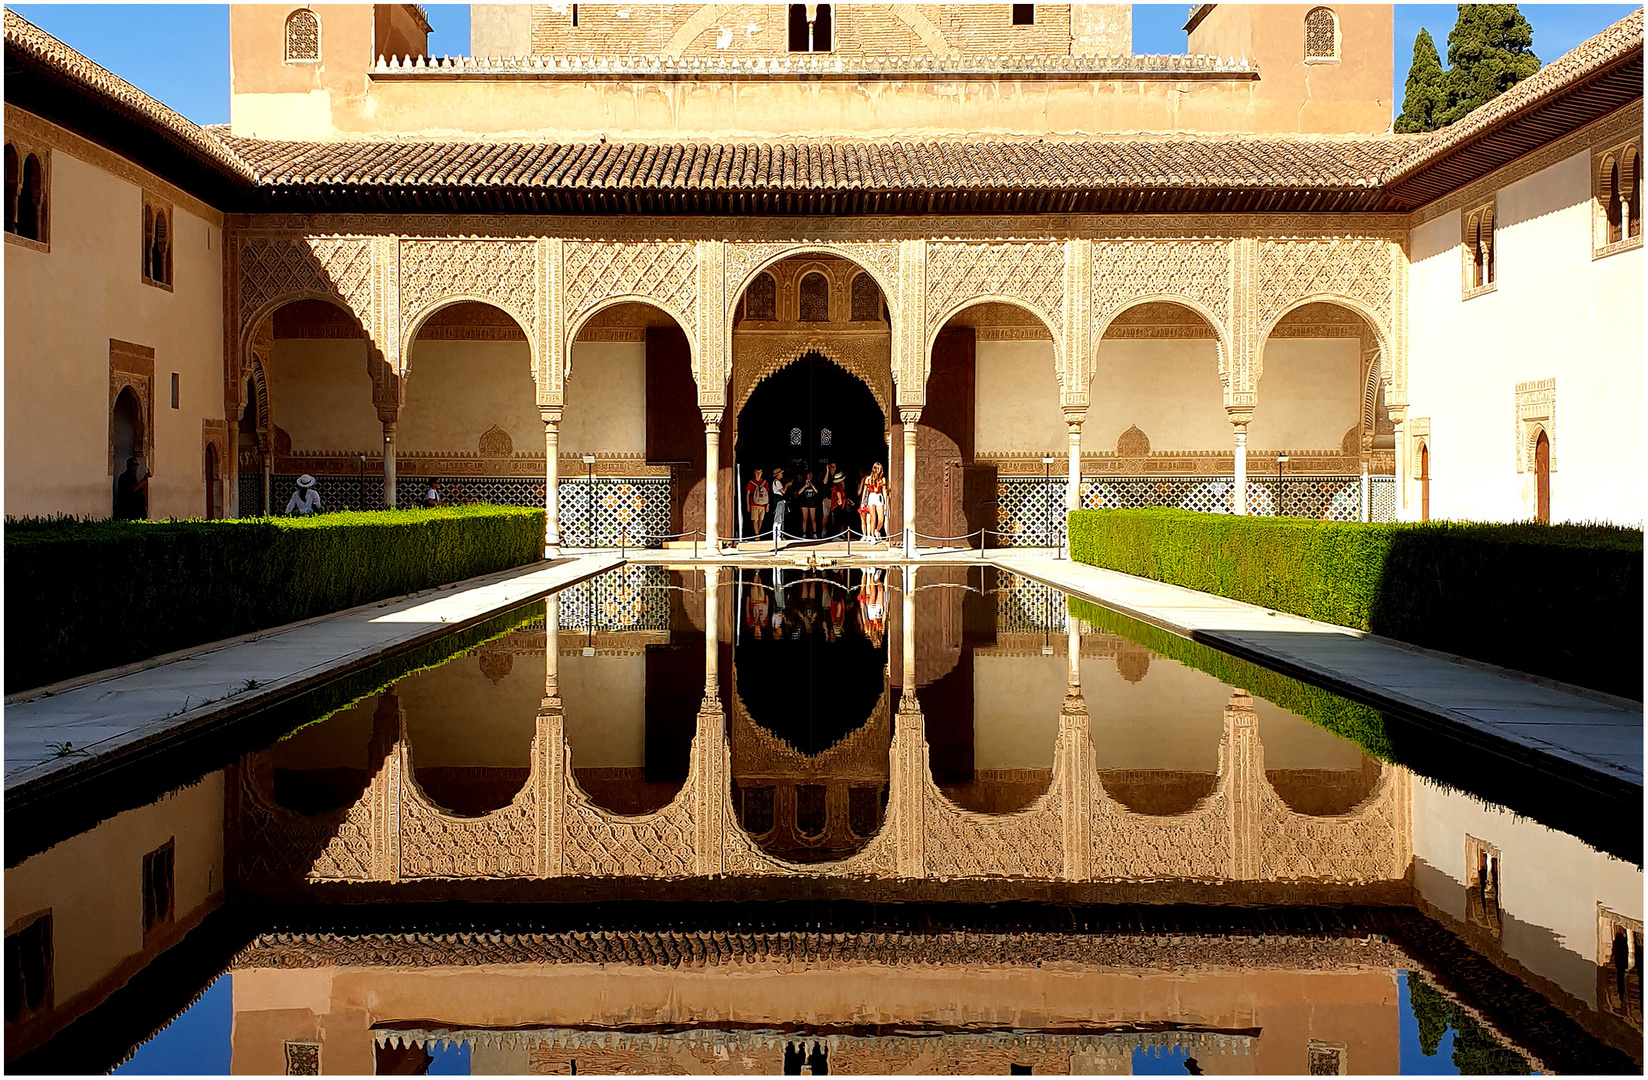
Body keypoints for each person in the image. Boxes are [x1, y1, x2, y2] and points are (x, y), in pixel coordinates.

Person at [113, 455, 151, 520]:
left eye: (137, 465)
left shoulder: (132, 476)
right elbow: (133, 489)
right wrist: (143, 481)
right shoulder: (125, 476)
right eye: (135, 465)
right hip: (127, 507)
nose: (136, 467)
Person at [858, 461, 888, 542]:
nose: (879, 471)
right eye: (877, 469)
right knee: (873, 518)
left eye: (880, 469)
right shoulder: (868, 479)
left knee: (881, 519)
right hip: (871, 496)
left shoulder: (882, 479)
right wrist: (862, 503)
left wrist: (886, 503)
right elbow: (864, 491)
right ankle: (872, 536)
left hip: (879, 496)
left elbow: (884, 491)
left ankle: (877, 530)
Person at [796, 470, 822, 539]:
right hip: (804, 502)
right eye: (809, 475)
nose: (810, 476)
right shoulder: (802, 482)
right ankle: (804, 533)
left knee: (813, 519)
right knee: (805, 519)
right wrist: (805, 486)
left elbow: (817, 491)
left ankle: (815, 533)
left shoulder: (815, 482)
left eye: (811, 475)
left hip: (812, 503)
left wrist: (812, 485)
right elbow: (798, 493)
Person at [745, 467, 769, 537]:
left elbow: (767, 494)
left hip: (763, 504)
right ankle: (757, 535)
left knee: (760, 520)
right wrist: (748, 505)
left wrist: (767, 505)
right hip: (753, 504)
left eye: (760, 472)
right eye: (757, 472)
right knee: (754, 519)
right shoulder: (751, 483)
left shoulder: (765, 482)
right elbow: (747, 495)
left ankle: (758, 533)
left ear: (762, 473)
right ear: (754, 473)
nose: (758, 474)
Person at [769, 467, 789, 543]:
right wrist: (787, 485)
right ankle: (777, 535)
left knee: (780, 518)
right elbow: (783, 491)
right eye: (781, 473)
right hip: (779, 500)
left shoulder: (776, 482)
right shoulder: (777, 482)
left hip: (779, 500)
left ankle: (780, 535)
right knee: (778, 518)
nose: (782, 475)